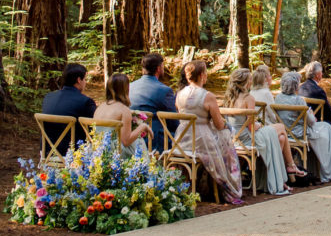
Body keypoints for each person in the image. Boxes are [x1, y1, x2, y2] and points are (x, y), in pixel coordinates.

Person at [225, 67, 305, 193]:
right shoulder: (248, 98)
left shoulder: (229, 98)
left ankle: (277, 180)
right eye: (250, 79)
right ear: (246, 82)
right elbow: (251, 127)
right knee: (281, 127)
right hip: (249, 139)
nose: (251, 82)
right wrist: (261, 126)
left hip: (235, 138)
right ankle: (290, 166)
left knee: (281, 138)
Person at [176, 60, 243, 205]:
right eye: (206, 72)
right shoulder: (207, 96)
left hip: (181, 139)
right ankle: (228, 184)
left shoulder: (180, 94)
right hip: (201, 139)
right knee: (226, 137)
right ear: (201, 75)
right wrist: (226, 126)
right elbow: (219, 124)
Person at [274, 72, 331, 183]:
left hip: (286, 131)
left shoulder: (278, 98)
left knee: (327, 127)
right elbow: (312, 122)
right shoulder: (298, 100)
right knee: (328, 128)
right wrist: (312, 115)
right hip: (300, 133)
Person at [40, 63, 96, 153]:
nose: (85, 82)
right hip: (74, 156)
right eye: (85, 79)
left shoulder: (48, 97)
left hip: (47, 153)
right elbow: (94, 130)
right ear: (79, 80)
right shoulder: (85, 102)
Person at [129, 53, 177, 153]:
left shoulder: (130, 86)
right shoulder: (164, 90)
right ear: (159, 68)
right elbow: (174, 122)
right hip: (155, 141)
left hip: (131, 137)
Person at [94, 74, 150, 156]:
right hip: (115, 154)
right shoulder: (123, 110)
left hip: (97, 150)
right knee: (139, 142)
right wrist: (143, 126)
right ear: (126, 89)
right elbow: (126, 141)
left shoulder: (99, 108)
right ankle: (144, 167)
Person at [299, 61, 331, 126]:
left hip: (303, 122)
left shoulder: (300, 88)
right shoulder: (319, 91)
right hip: (318, 123)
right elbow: (329, 113)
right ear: (318, 75)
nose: (322, 74)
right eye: (321, 72)